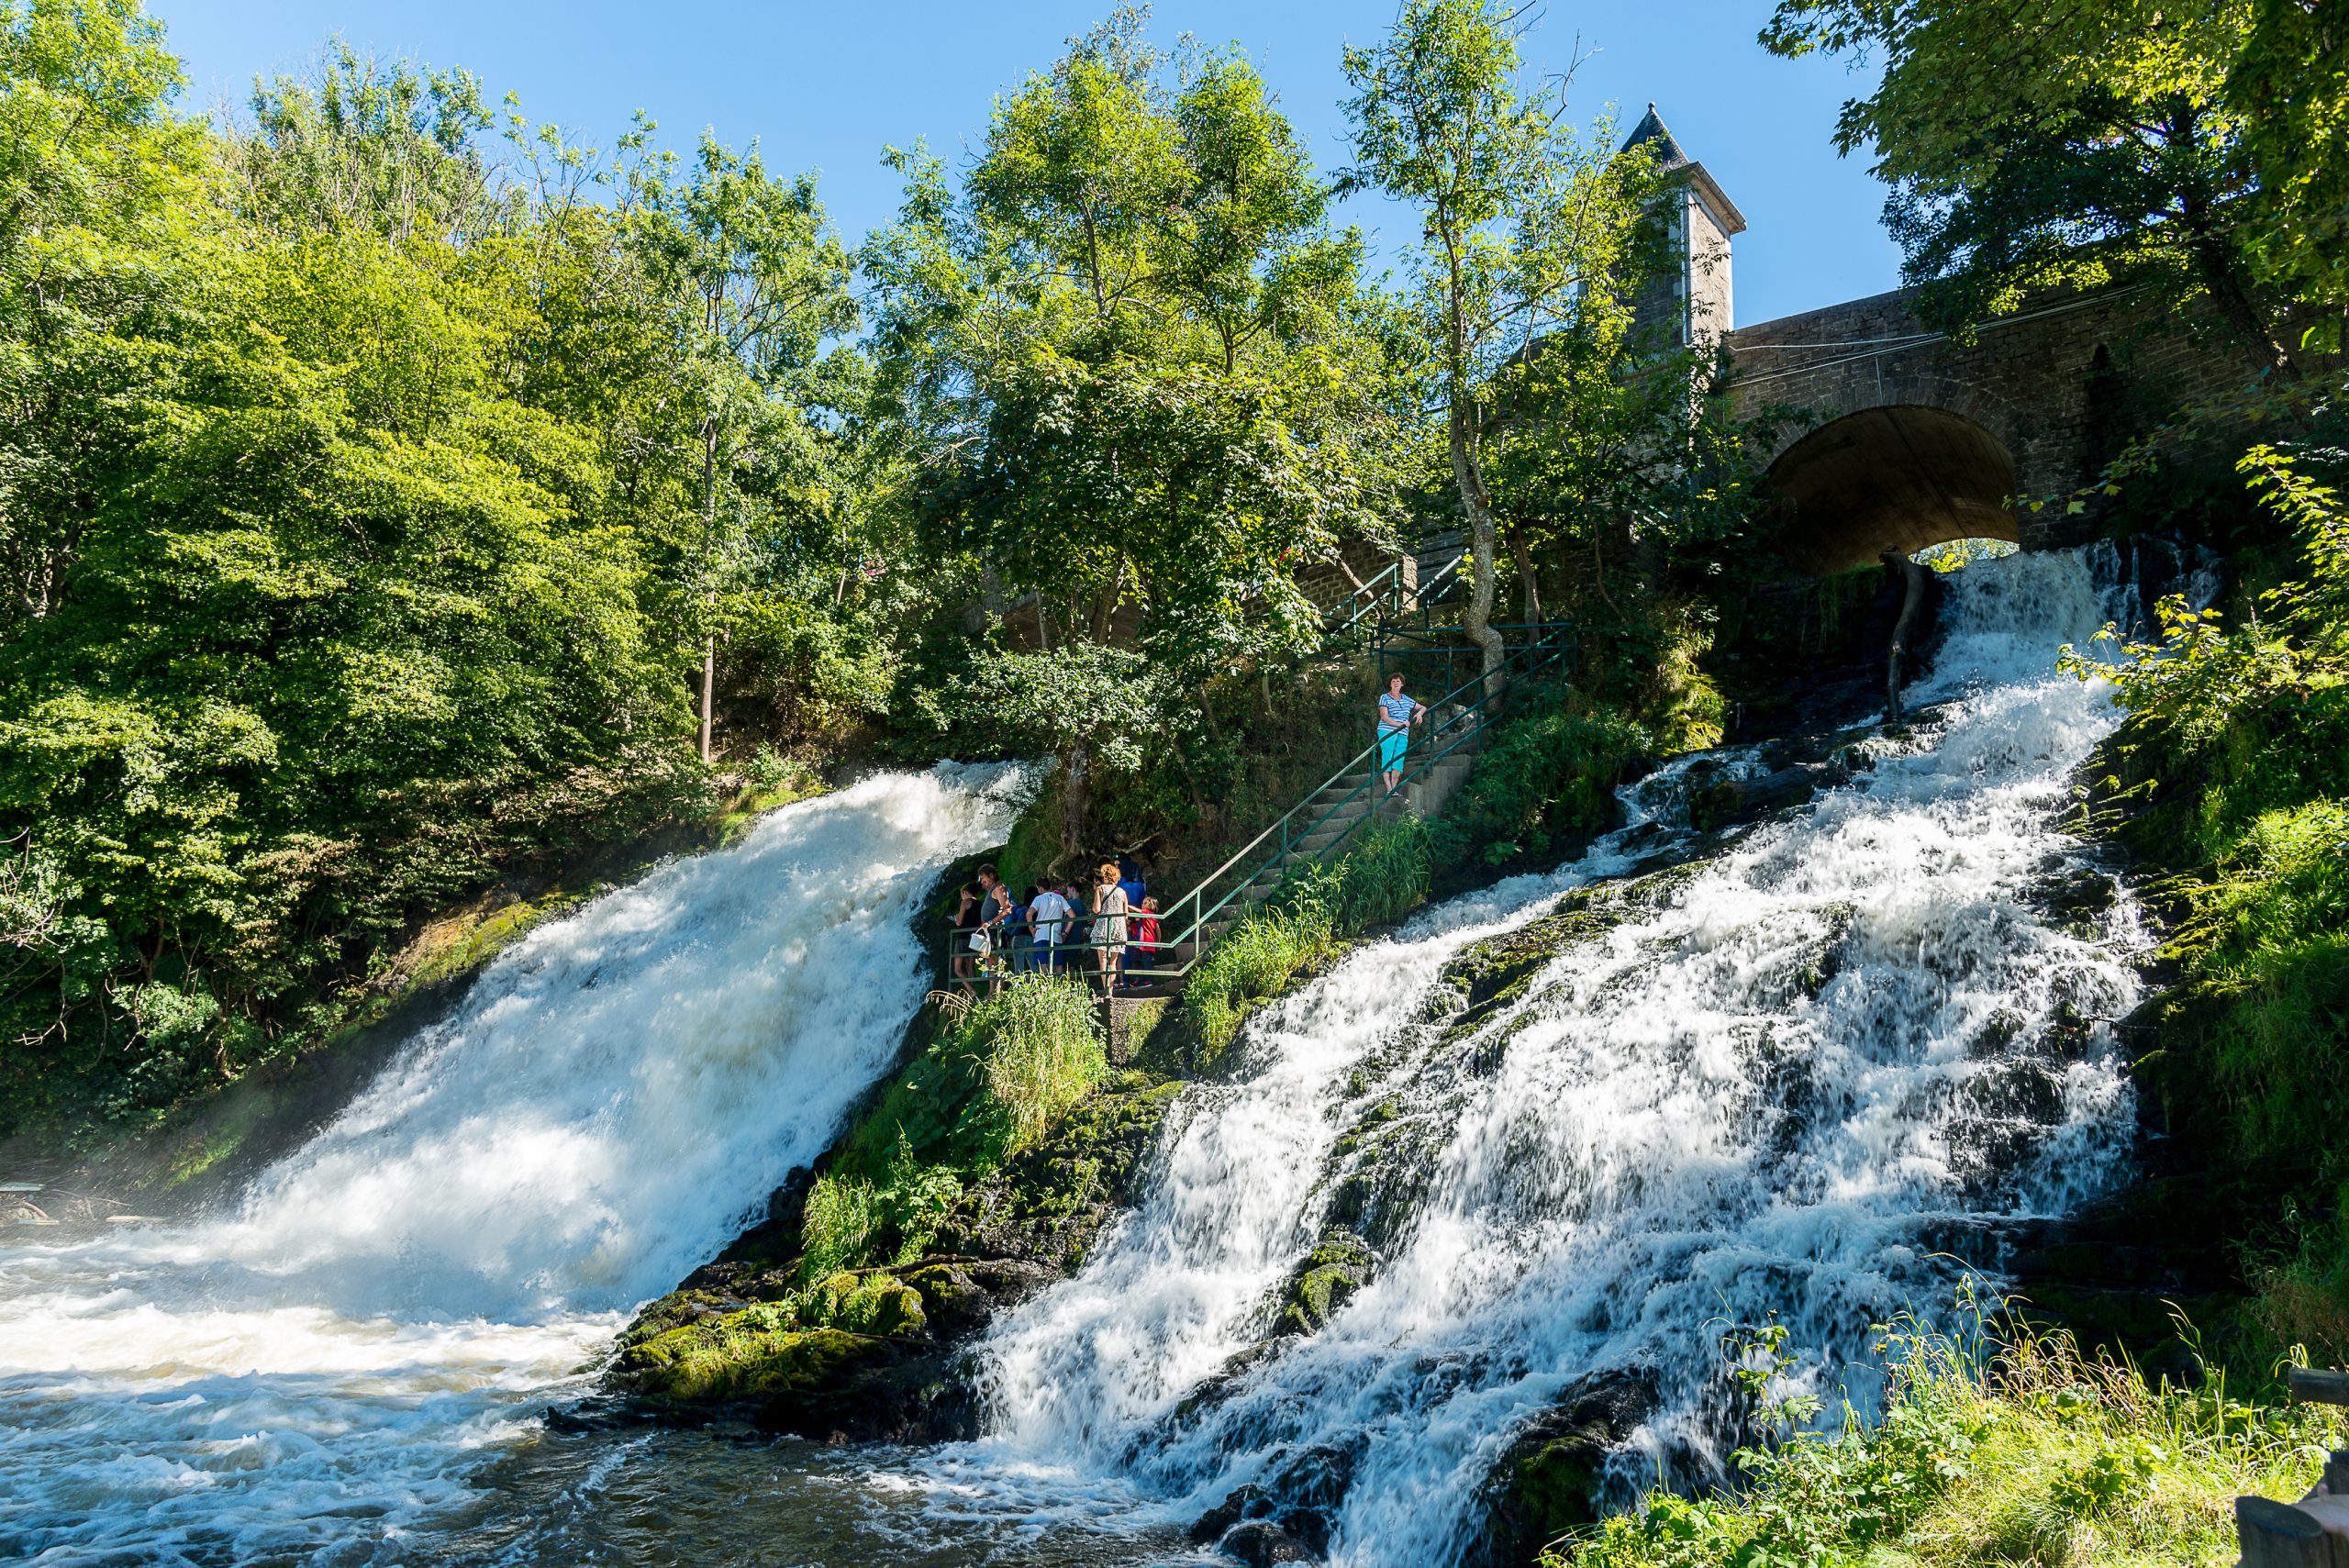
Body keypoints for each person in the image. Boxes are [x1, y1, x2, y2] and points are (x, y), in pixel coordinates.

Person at [1375, 673, 1426, 795]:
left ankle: (1394, 789)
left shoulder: (1406, 699)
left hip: (1403, 732)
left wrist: (1419, 714)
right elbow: (1384, 716)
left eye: (1398, 681)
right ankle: (1389, 789)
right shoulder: (1385, 697)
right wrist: (1399, 725)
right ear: (1390, 684)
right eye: (1393, 681)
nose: (1396, 683)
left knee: (1398, 759)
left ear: (1402, 684)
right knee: (1388, 757)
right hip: (1387, 730)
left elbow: (1423, 707)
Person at [1089, 860, 1130, 996]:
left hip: (1104, 927)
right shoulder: (1122, 892)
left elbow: (1096, 909)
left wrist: (1096, 891)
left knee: (1103, 960)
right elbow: (1126, 914)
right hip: (1118, 928)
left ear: (1105, 876)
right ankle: (1111, 990)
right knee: (1113, 961)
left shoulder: (1100, 889)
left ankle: (1107, 992)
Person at [1027, 882, 1073, 974]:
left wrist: (1031, 929)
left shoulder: (1038, 898)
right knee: (1058, 965)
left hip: (1041, 935)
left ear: (1040, 888)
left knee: (1043, 964)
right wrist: (1065, 933)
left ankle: (1045, 986)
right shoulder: (1060, 898)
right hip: (1056, 936)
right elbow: (1072, 916)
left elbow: (1029, 913)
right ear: (1050, 887)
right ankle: (1060, 986)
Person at [950, 881, 983, 994]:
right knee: (970, 965)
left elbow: (959, 922)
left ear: (964, 892)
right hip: (975, 937)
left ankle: (971, 990)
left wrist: (956, 918)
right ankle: (974, 991)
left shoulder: (965, 903)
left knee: (958, 969)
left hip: (963, 938)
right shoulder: (980, 904)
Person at [1125, 895, 1161, 988]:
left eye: (1144, 903)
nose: (1142, 905)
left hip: (1147, 943)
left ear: (1151, 905)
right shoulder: (1145, 919)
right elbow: (1158, 929)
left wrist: (1126, 905)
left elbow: (1138, 911)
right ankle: (1138, 980)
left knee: (1146, 962)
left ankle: (1148, 980)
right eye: (1142, 903)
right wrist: (1158, 941)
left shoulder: (1148, 913)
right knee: (1137, 961)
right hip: (1141, 944)